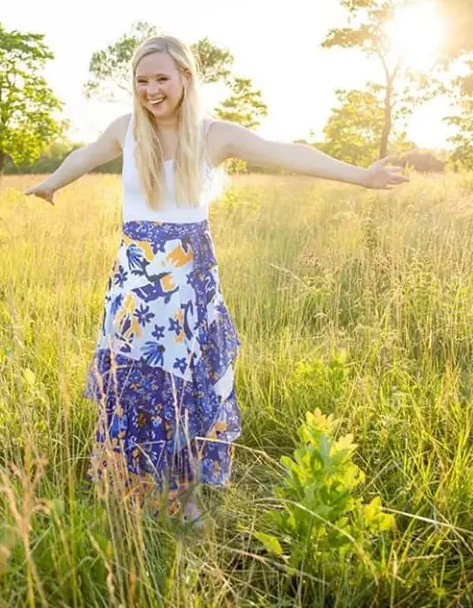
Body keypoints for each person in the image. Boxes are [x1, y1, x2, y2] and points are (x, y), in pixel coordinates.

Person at [25, 35, 409, 526]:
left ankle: (185, 499)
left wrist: (361, 176)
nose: (151, 90)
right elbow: (86, 154)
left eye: (161, 79)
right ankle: (129, 490)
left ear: (185, 77)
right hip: (135, 282)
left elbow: (289, 153)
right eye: (142, 81)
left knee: (188, 389)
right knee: (133, 383)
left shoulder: (213, 136)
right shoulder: (127, 130)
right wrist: (51, 183)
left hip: (190, 284)